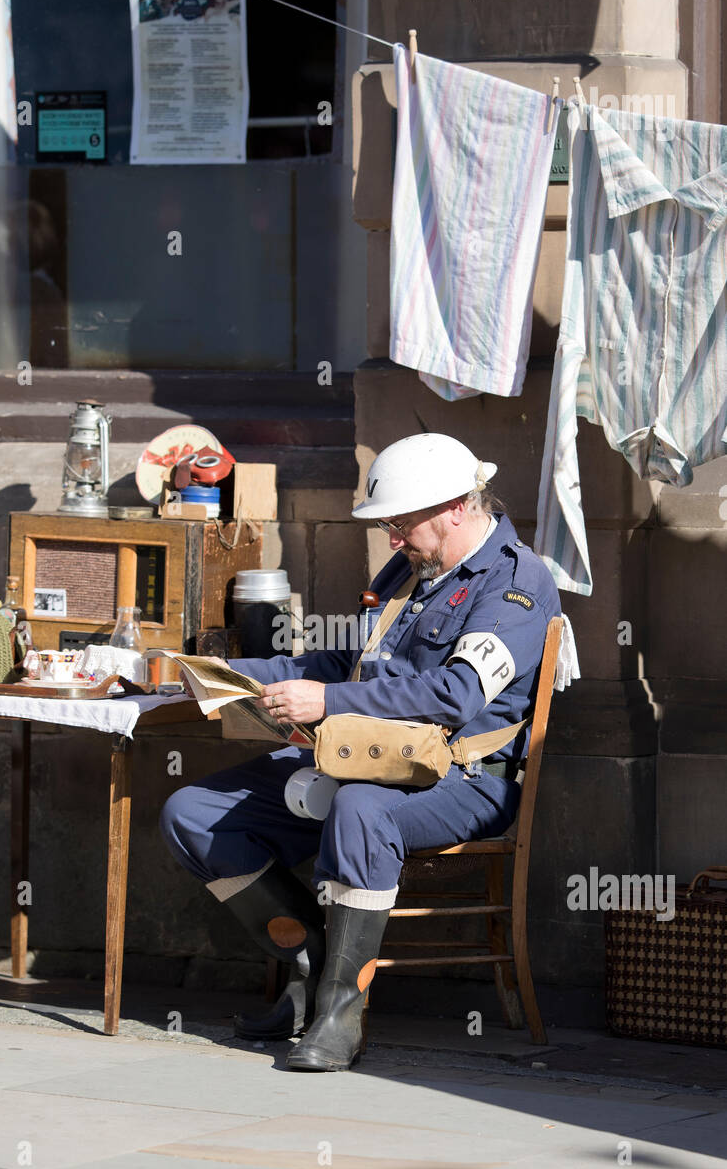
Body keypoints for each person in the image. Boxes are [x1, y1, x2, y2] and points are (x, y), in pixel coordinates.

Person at [161, 434, 561, 1071]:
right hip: (365, 755)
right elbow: (349, 663)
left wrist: (329, 703)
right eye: (390, 526)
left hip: (462, 776)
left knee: (359, 809)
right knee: (195, 811)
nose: (393, 539)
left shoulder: (516, 582)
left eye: (401, 524)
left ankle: (339, 1015)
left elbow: (457, 695)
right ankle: (310, 967)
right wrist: (227, 672)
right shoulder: (411, 568)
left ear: (458, 505)